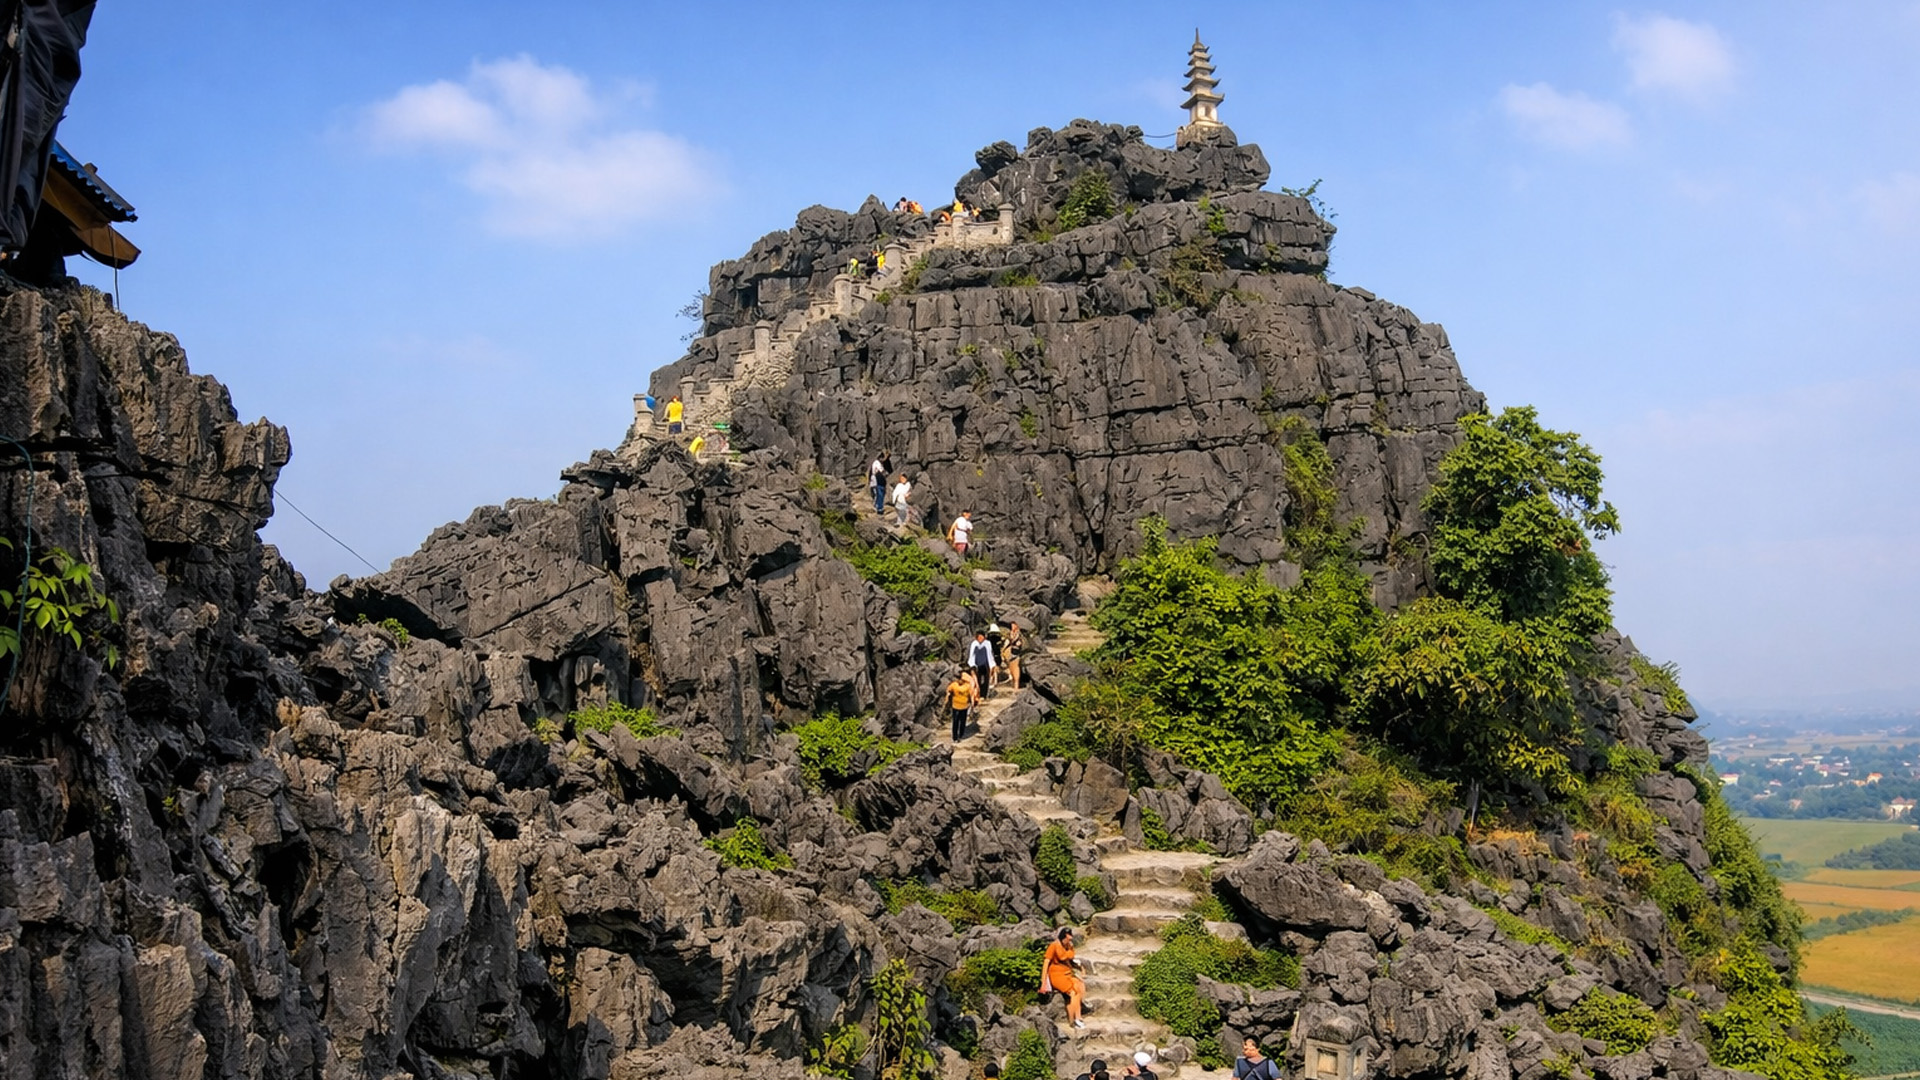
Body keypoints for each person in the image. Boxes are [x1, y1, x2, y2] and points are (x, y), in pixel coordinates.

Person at [1045, 927, 1086, 1030]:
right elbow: (1046, 963)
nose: (1069, 940)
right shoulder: (1054, 946)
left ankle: (1078, 1016)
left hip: (1067, 973)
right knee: (1073, 992)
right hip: (1056, 975)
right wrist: (1043, 983)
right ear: (1063, 937)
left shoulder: (1069, 946)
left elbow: (1071, 956)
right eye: (1068, 938)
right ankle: (1074, 1019)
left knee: (1079, 985)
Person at [945, 668, 974, 742]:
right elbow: (948, 692)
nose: (958, 680)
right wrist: (947, 702)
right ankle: (955, 737)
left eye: (959, 678)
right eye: (957, 679)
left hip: (964, 706)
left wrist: (972, 704)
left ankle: (961, 734)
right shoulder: (953, 685)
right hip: (955, 706)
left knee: (963, 721)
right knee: (955, 722)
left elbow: (970, 695)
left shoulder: (967, 686)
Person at [967, 631, 997, 701]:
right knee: (978, 679)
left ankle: (984, 694)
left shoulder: (987, 643)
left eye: (982, 637)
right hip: (977, 664)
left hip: (985, 663)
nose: (980, 638)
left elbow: (990, 654)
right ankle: (978, 694)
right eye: (979, 637)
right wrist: (971, 664)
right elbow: (972, 655)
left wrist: (992, 664)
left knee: (986, 680)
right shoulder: (974, 644)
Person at [1002, 620, 1024, 690]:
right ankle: (1014, 685)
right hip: (1011, 653)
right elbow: (1008, 641)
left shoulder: (1019, 634)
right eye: (1012, 625)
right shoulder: (1010, 633)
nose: (1012, 626)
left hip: (1016, 653)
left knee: (1015, 669)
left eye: (1014, 625)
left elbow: (1019, 642)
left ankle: (1016, 686)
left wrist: (1014, 640)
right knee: (1011, 669)